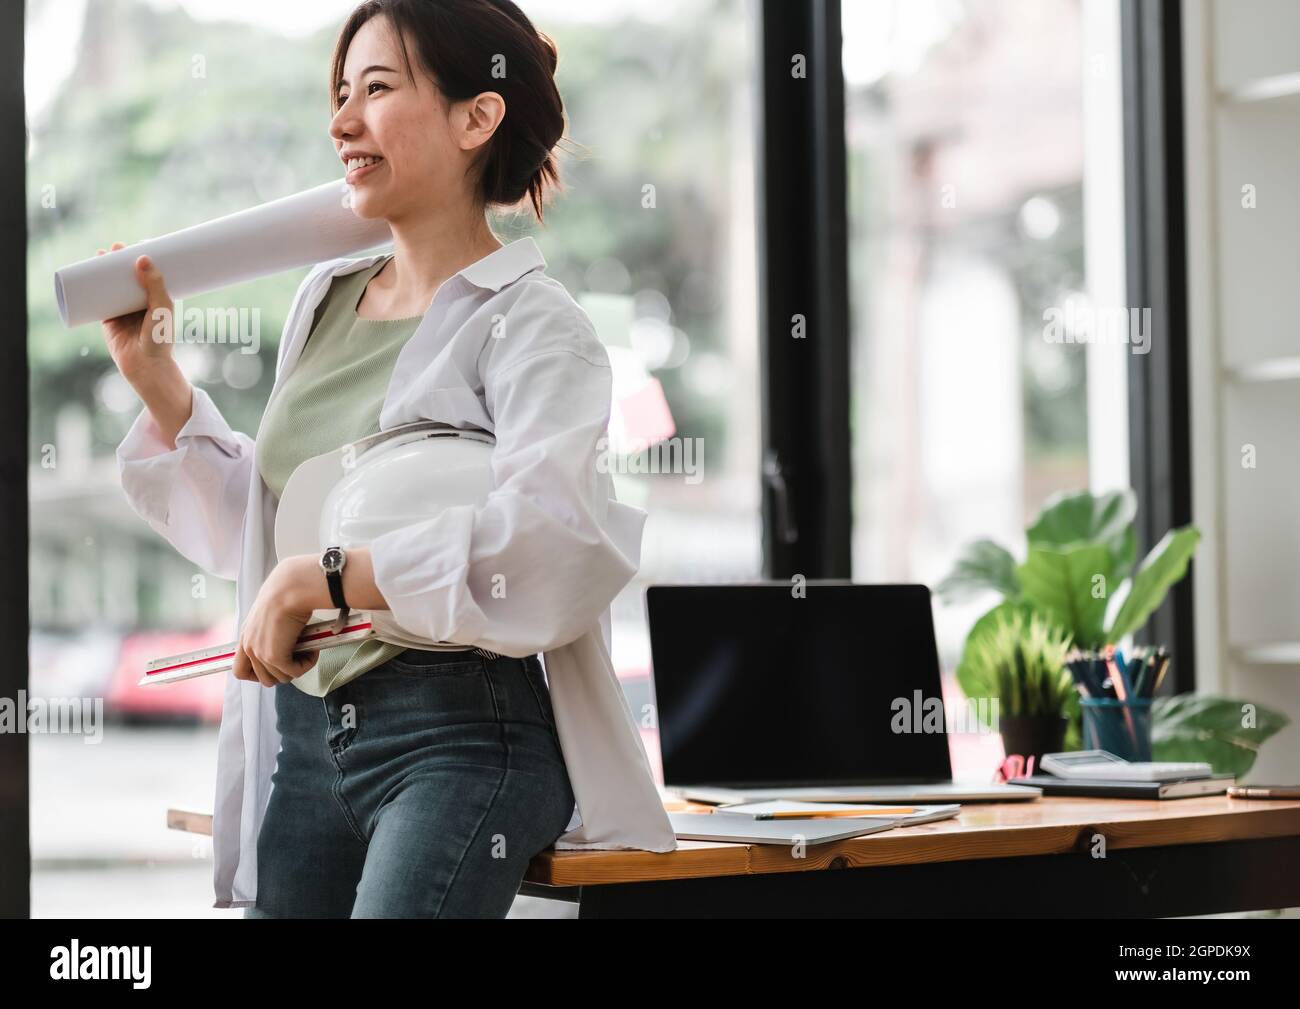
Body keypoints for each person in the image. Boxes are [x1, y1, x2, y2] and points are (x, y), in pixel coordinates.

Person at [103, 0, 675, 918]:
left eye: (376, 89)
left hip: (458, 732)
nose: (340, 122)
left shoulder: (533, 323)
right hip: (309, 735)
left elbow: (552, 540)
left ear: (475, 117)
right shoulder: (323, 300)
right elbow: (273, 524)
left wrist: (327, 581)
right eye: (339, 94)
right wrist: (159, 381)